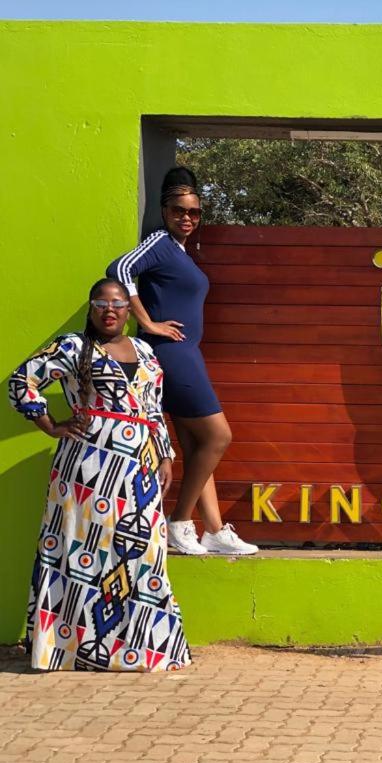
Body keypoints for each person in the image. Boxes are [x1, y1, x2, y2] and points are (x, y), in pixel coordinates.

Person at [8, 278, 191, 671]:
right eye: (101, 303)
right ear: (92, 309)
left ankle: (141, 650)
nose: (110, 310)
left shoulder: (144, 350)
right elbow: (21, 382)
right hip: (87, 467)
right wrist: (49, 424)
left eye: (118, 303)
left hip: (139, 467)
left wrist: (165, 456)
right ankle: (72, 650)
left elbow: (153, 408)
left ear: (128, 310)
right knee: (83, 554)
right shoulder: (73, 347)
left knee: (143, 553)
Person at [108, 167, 256, 556]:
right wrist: (146, 322)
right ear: (164, 210)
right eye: (178, 211)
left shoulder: (179, 251)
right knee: (218, 436)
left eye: (194, 212)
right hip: (172, 355)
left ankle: (215, 530)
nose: (186, 218)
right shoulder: (159, 241)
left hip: (186, 354)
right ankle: (179, 521)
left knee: (195, 446)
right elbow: (119, 269)